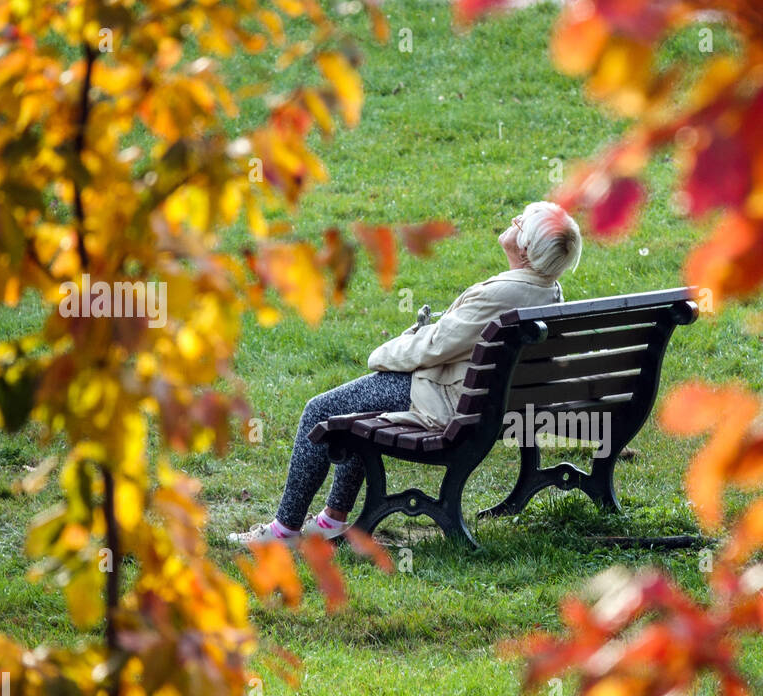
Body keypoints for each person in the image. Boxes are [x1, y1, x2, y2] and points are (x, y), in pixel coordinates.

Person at [230, 201, 583, 544]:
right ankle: (330, 521)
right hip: (480, 399)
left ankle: (284, 531)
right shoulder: (548, 291)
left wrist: (382, 354)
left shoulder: (505, 295)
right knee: (350, 409)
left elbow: (434, 347)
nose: (514, 220)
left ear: (525, 249)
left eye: (521, 223)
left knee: (320, 410)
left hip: (448, 403)